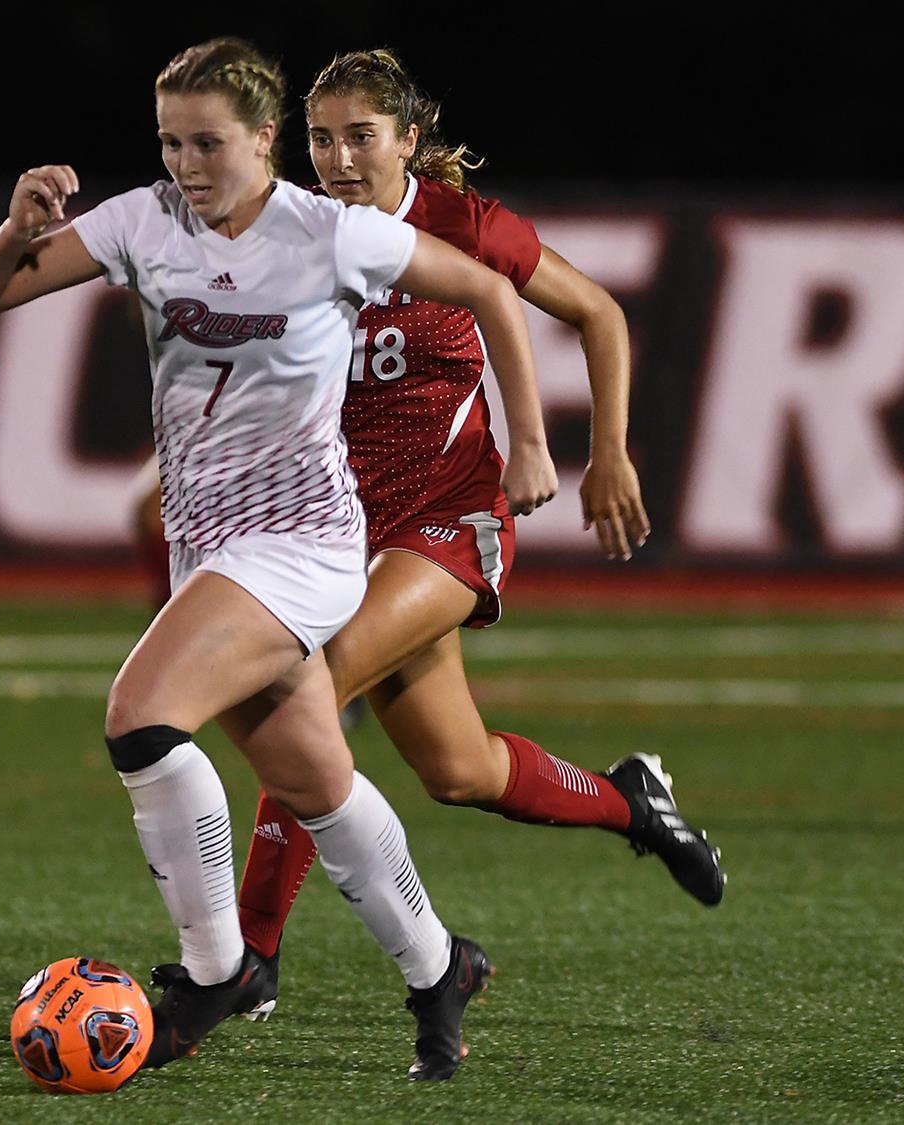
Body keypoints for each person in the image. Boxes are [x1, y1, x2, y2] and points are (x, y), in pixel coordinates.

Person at [0, 37, 557, 1081]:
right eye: (169, 142)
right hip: (207, 549)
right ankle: (438, 966)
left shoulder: (331, 233)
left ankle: (215, 969)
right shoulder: (143, 222)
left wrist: (533, 443)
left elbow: (494, 294)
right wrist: (15, 231)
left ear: (264, 137)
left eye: (208, 144)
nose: (185, 164)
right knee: (314, 777)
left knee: (140, 718)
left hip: (305, 543)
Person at [210, 49, 727, 996]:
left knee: (306, 692)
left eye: (361, 136)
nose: (338, 158)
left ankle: (251, 957)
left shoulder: (462, 225)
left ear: (409, 139)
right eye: (320, 138)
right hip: (343, 533)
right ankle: (634, 805)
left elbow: (599, 314)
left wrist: (603, 451)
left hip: (450, 516)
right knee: (461, 771)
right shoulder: (291, 231)